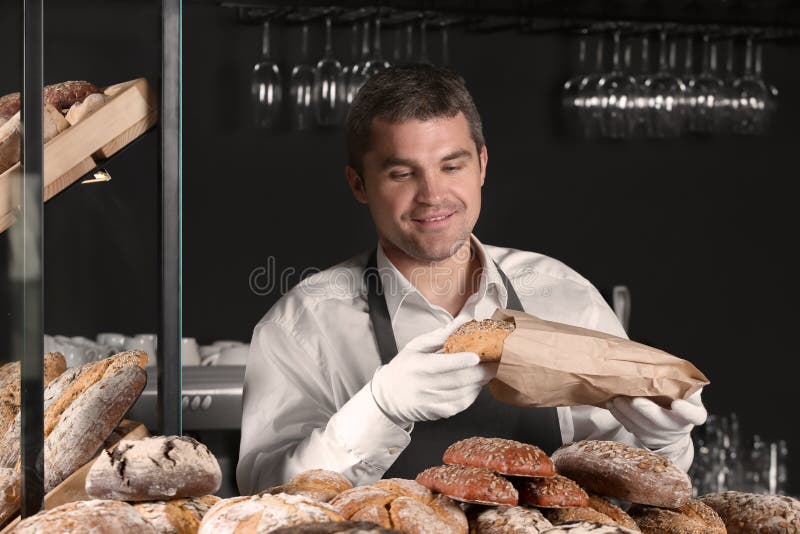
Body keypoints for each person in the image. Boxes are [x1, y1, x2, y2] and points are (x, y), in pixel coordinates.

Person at [237, 64, 706, 495]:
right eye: (402, 173)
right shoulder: (302, 327)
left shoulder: (565, 295)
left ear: (482, 164)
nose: (432, 195)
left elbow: (629, 487)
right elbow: (266, 499)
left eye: (452, 165)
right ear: (358, 184)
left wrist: (667, 446)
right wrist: (379, 409)